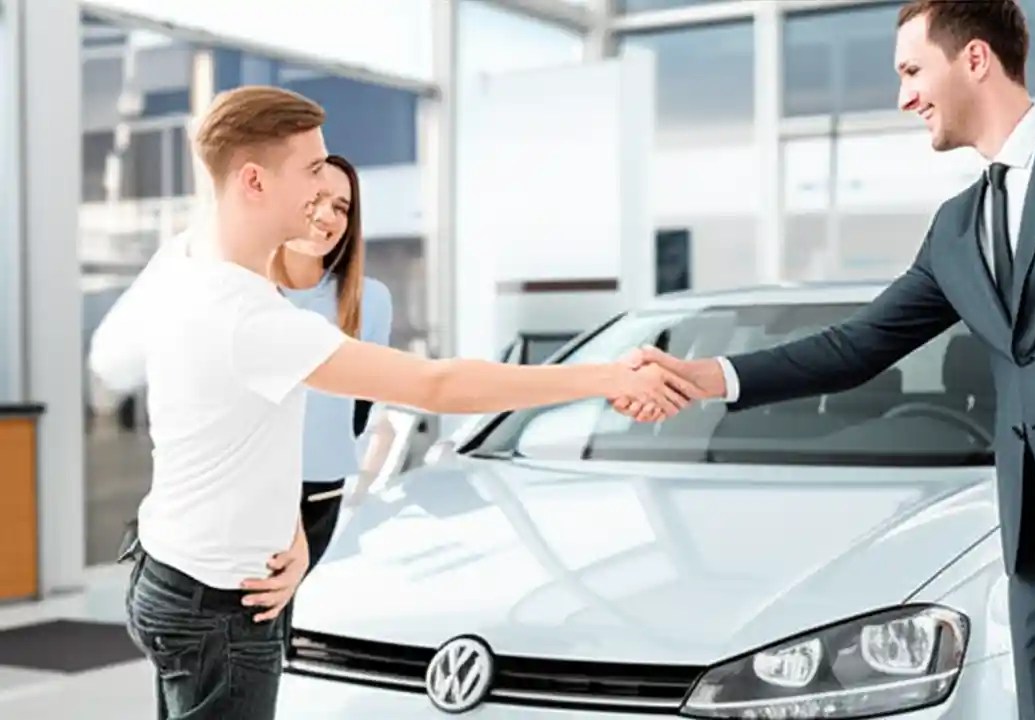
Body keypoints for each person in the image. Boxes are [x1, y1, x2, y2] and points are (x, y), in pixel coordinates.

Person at [621, 2, 1035, 719]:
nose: (904, 96)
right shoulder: (956, 228)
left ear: (974, 59)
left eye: (912, 71)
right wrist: (708, 377)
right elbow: (857, 346)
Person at [88, 85, 698, 720]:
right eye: (312, 169)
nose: (326, 185)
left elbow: (227, 429)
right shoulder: (250, 317)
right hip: (220, 604)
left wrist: (288, 529)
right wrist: (604, 379)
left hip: (171, 569)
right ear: (253, 181)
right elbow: (436, 385)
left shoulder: (186, 256)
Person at [270, 154, 392, 572]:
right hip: (247, 490)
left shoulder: (369, 299)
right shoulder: (245, 291)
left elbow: (364, 402)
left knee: (290, 624)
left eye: (341, 206)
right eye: (316, 198)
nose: (328, 215)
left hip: (319, 491)